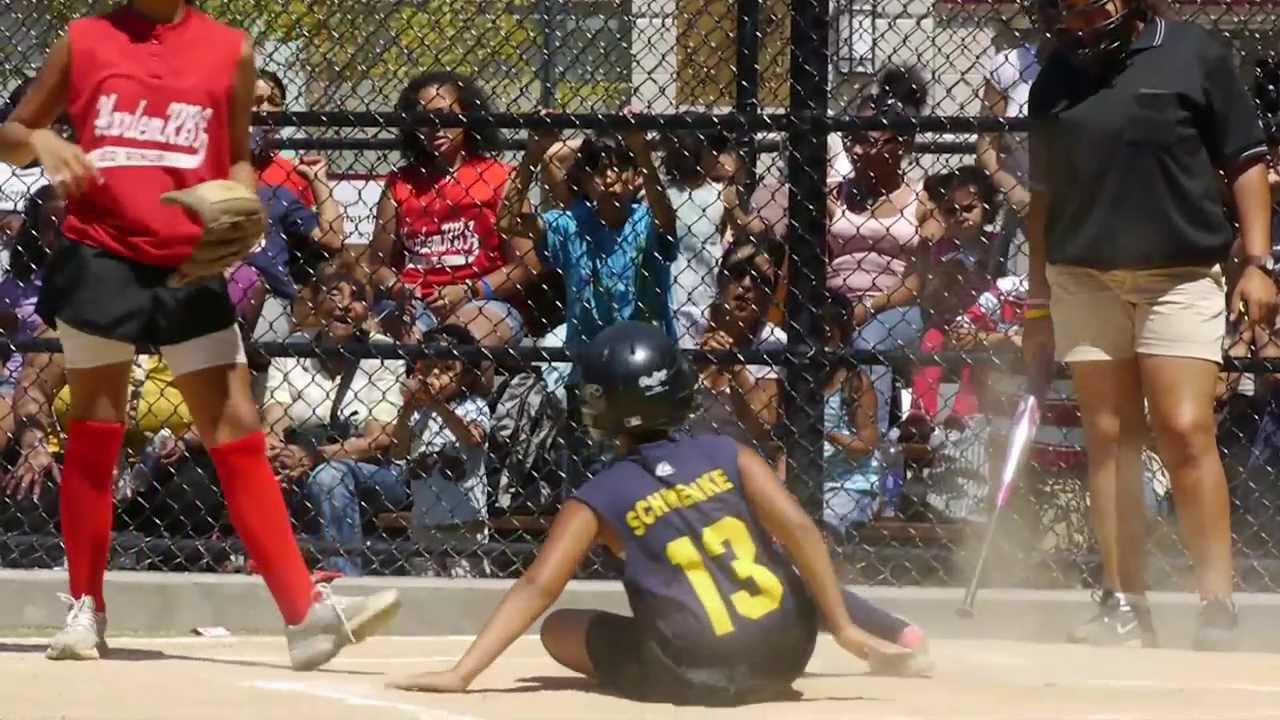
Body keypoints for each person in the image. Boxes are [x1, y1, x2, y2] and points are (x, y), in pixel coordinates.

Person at [0, 0, 399, 666]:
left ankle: (303, 614)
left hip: (190, 262)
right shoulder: (87, 38)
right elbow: (10, 131)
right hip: (101, 254)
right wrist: (39, 139)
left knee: (237, 430)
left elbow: (238, 162)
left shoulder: (228, 50)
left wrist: (243, 212)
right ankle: (85, 607)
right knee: (96, 431)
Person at [387, 321, 930, 702]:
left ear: (599, 407)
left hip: (696, 672)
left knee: (559, 629)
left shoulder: (597, 495)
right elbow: (802, 531)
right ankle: (887, 631)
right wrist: (843, 628)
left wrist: (464, 673)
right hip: (786, 652)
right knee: (780, 567)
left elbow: (537, 587)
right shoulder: (730, 453)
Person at [1023, 0, 1277, 651]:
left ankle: (1216, 602)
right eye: (1066, 15)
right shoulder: (1055, 77)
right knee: (1109, 439)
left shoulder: (1195, 54)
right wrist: (1036, 302)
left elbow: (1246, 161)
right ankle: (1124, 603)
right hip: (1083, 275)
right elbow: (1044, 201)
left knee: (1186, 429)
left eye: (1087, 10)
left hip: (1181, 273)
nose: (1077, 25)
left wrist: (1257, 262)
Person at [364, 71, 533, 349]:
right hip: (415, 304)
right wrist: (398, 288)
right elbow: (376, 264)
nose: (435, 127)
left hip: (484, 302)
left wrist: (471, 290)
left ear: (467, 116)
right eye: (423, 120)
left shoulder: (501, 177)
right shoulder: (401, 182)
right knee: (379, 336)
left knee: (456, 343)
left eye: (444, 115)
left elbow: (526, 265)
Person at [262, 273, 405, 576]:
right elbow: (275, 416)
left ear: (369, 310)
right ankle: (265, 570)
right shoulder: (291, 348)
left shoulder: (383, 353)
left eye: (357, 298)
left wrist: (313, 457)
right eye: (334, 295)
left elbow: (378, 439)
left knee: (329, 476)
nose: (344, 306)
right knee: (259, 464)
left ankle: (344, 579)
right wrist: (276, 449)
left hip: (375, 470)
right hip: (301, 456)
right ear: (315, 303)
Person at [498, 128, 678, 350]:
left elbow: (666, 218)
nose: (610, 179)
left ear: (637, 177)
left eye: (620, 169)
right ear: (583, 180)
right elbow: (507, 223)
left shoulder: (647, 222)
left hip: (649, 354)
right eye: (599, 171)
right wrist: (533, 154)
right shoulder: (571, 224)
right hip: (589, 358)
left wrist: (641, 151)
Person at [827, 66, 933, 430]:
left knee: (869, 340)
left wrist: (869, 306)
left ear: (900, 143)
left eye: (867, 140)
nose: (855, 150)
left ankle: (867, 449)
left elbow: (918, 281)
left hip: (896, 306)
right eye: (851, 139)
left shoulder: (923, 197)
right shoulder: (834, 194)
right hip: (835, 304)